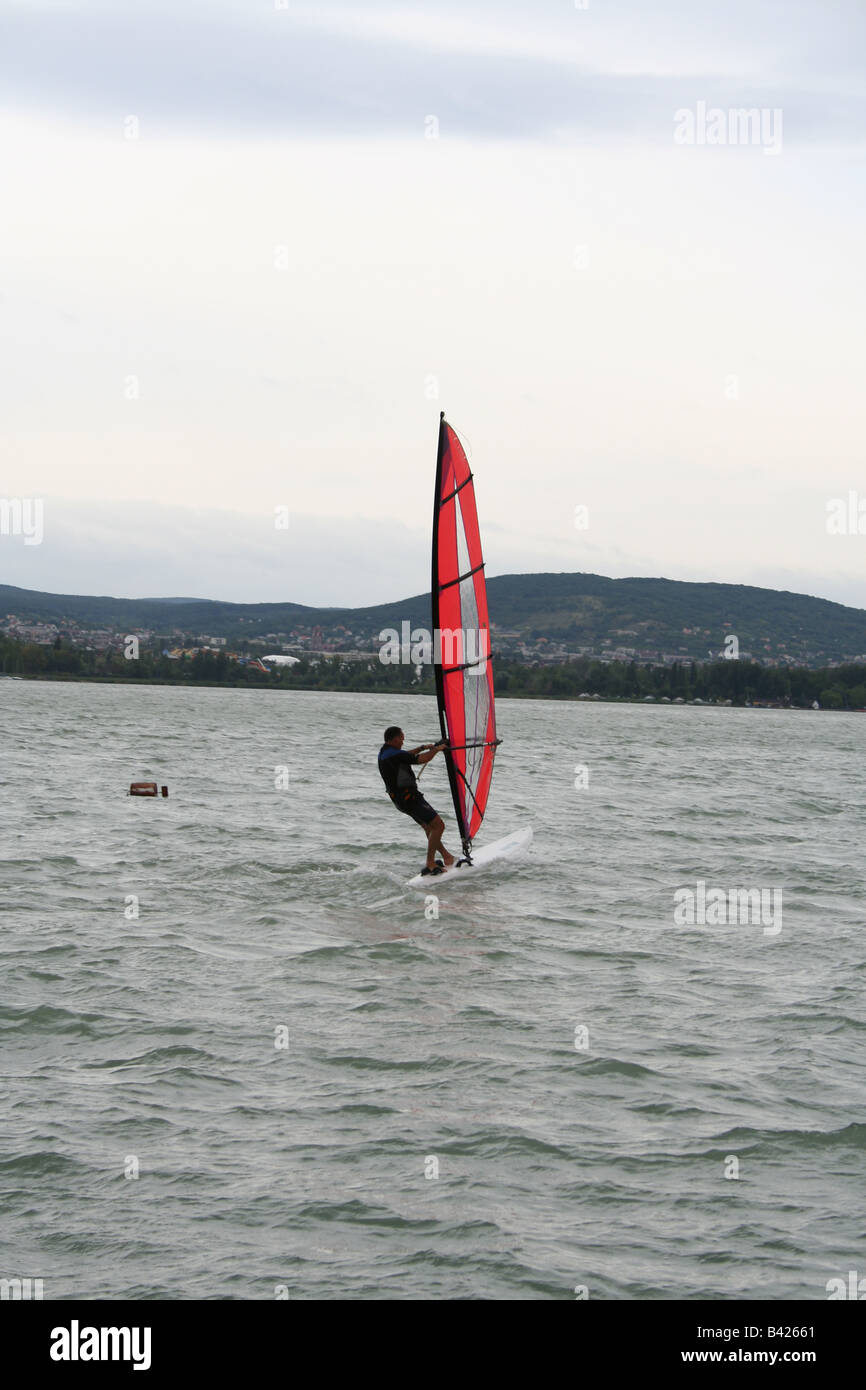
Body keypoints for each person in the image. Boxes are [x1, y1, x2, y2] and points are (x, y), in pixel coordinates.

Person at [378, 726, 455, 874]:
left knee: (429, 828)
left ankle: (446, 857)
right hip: (410, 798)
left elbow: (405, 755)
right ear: (394, 739)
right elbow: (422, 759)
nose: (403, 740)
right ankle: (431, 862)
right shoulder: (394, 754)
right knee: (438, 825)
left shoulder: (385, 753)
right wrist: (436, 750)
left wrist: (422, 747)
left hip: (400, 801)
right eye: (401, 738)